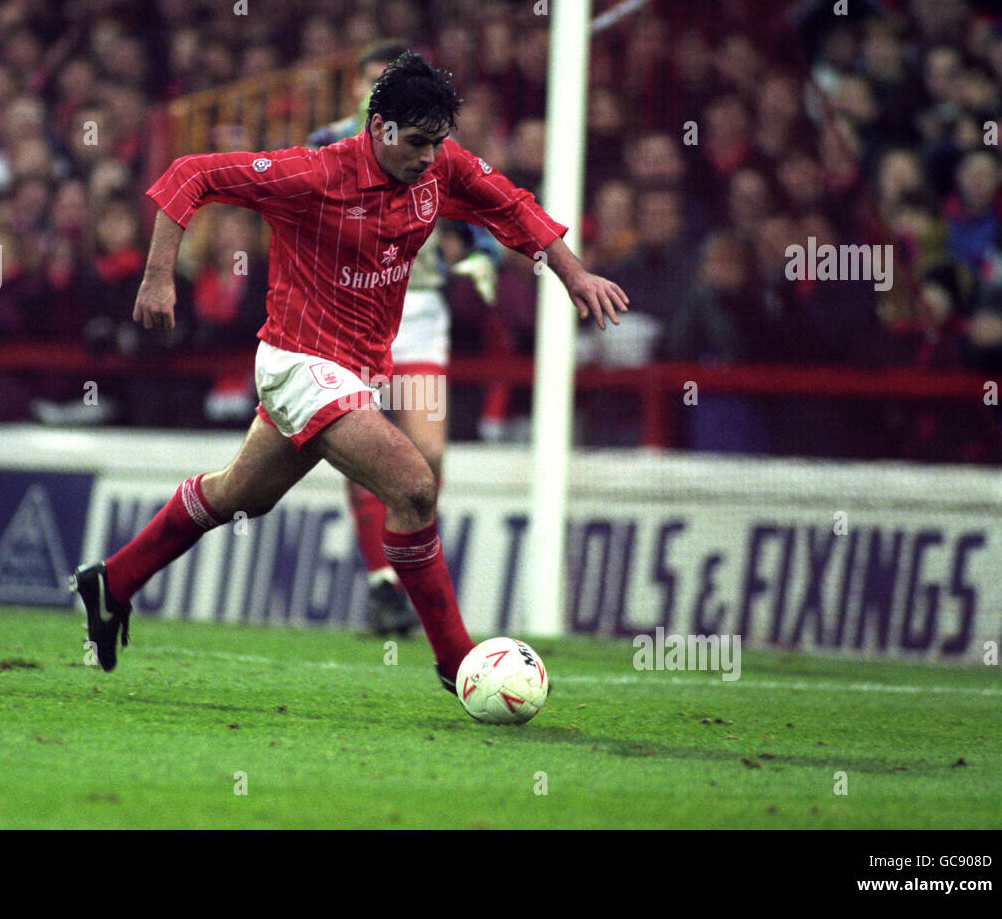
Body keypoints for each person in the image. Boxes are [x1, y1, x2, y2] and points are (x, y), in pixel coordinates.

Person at [70, 52, 628, 701]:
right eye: (417, 142)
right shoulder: (314, 173)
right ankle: (457, 663)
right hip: (299, 363)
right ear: (380, 128)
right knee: (415, 485)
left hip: (355, 370)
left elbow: (512, 206)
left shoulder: (438, 166)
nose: (429, 157)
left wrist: (574, 272)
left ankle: (112, 581)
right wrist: (159, 274)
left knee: (239, 497)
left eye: (436, 143)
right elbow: (188, 173)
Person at [309, 41, 502, 637]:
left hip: (417, 312)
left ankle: (403, 568)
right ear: (359, 92)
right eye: (371, 82)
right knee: (363, 449)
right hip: (353, 310)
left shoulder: (430, 146)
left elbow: (481, 215)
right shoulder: (326, 145)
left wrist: (475, 254)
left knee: (430, 454)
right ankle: (385, 584)